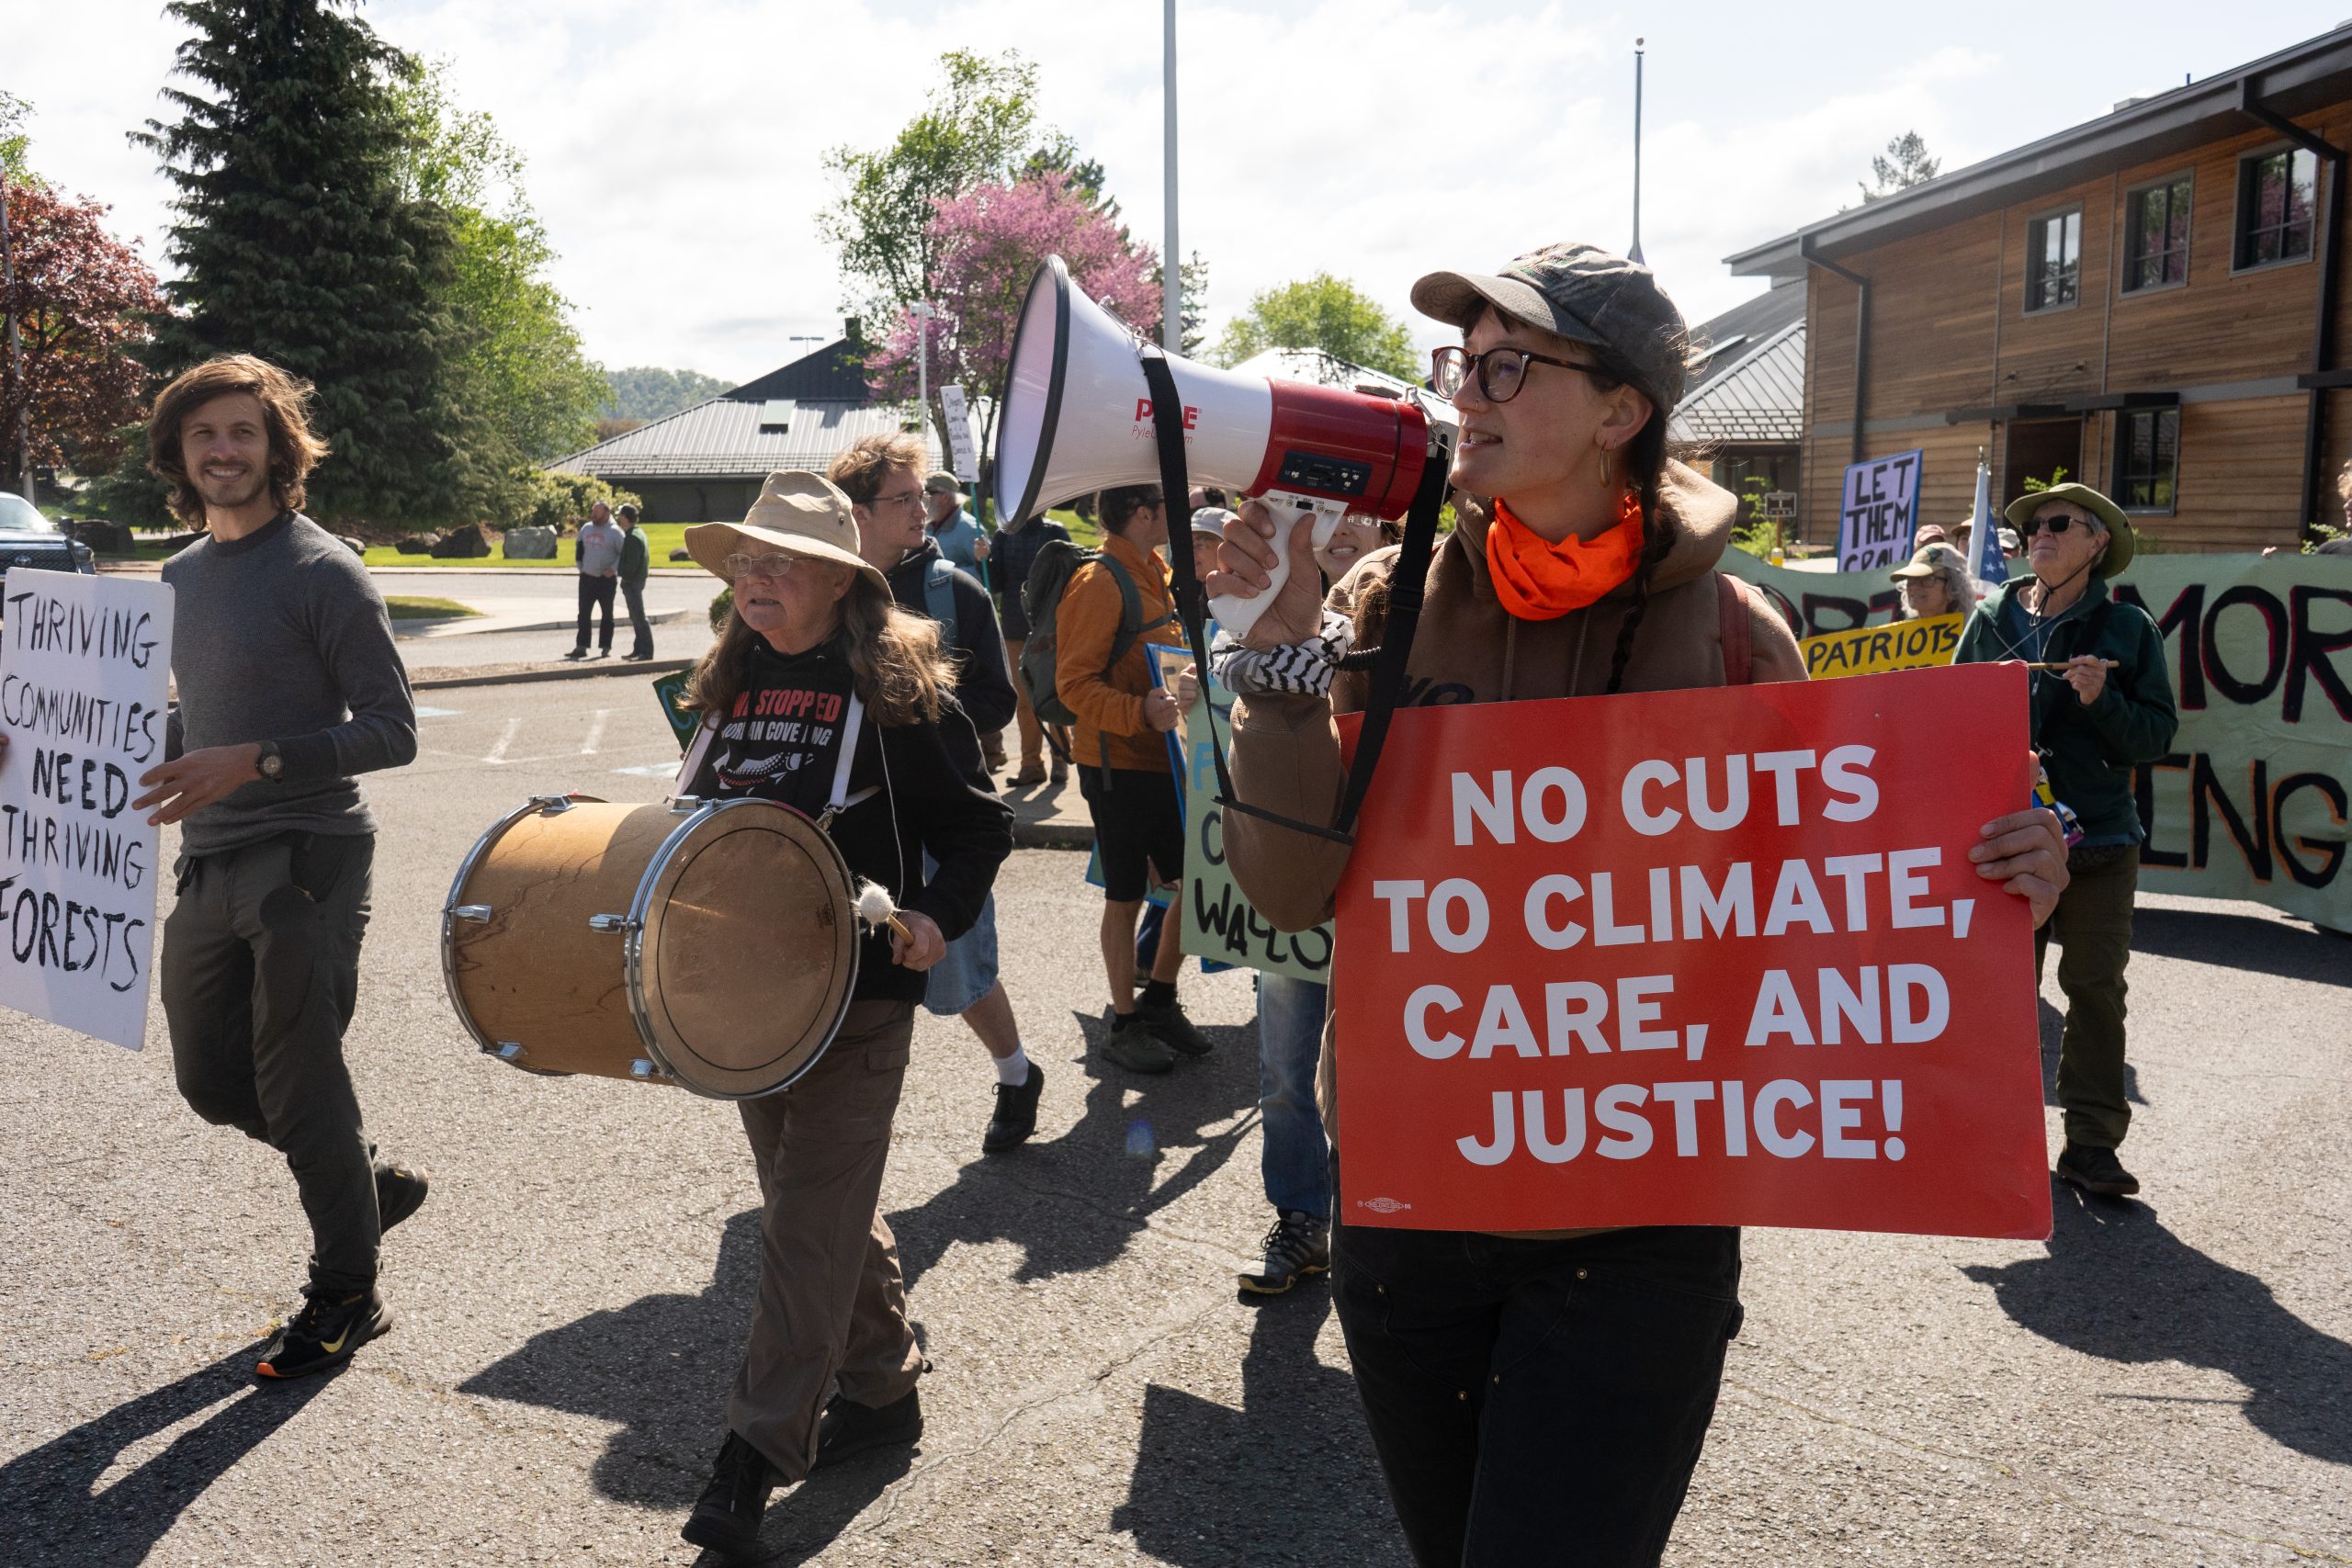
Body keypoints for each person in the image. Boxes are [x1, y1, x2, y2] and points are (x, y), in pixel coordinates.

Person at [1209, 242, 2076, 1566]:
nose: (1466, 394)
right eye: (1463, 362)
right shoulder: (1382, 606)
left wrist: (2009, 868)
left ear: (1621, 411)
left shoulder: (1734, 635)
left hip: (1639, 1239)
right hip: (1412, 1214)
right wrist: (1271, 667)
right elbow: (1285, 887)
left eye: (1510, 363)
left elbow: (1844, 911)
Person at [673, 470, 1012, 1556]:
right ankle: (883, 1384)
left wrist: (935, 915)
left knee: (805, 1223)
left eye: (778, 563)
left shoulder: (896, 692)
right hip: (748, 994)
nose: (754, 579)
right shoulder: (729, 680)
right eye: (745, 562)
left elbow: (978, 829)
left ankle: (754, 1455)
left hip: (860, 996)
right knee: (807, 1202)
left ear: (834, 580)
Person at [114, 355, 424, 1380]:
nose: (223, 450)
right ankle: (364, 1189)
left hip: (308, 856)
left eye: (243, 431)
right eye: (204, 435)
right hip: (209, 858)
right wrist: (42, 744)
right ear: (179, 454)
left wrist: (258, 759)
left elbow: (392, 729)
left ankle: (346, 1293)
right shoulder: (180, 576)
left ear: (277, 447)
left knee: (300, 1079)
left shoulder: (322, 570)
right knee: (210, 1080)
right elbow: (191, 723)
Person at [1955, 481, 2177, 1199]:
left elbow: (2155, 736)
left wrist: (2100, 699)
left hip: (2102, 842)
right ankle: (1994, 1142)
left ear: (2097, 543)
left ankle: (2090, 1145)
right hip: (2008, 841)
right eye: (2031, 528)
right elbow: (1947, 715)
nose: (2039, 535)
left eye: (2058, 524)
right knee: (1999, 998)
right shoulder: (1989, 618)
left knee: (2094, 995)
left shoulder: (2129, 630)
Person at [833, 435, 1045, 1155]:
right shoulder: (827, 588)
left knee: (957, 964)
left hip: (938, 816)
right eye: (904, 499)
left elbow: (996, 699)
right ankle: (839, 1138)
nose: (922, 509)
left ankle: (1017, 1074)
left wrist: (916, 708)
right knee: (850, 967)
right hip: (852, 821)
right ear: (857, 513)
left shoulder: (953, 590)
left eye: (922, 497)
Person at [1057, 482, 1210, 1075]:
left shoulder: (1155, 571)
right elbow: (1073, 684)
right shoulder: (1098, 582)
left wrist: (1186, 683)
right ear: (1143, 513)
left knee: (1194, 881)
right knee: (1125, 895)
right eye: (1171, 505)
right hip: (1116, 765)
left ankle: (1161, 1000)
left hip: (1163, 759)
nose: (1182, 514)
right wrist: (1138, 712)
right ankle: (1124, 1023)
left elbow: (1160, 658)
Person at [993, 508, 1073, 788]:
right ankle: (1031, 764)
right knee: (1025, 701)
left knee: (1053, 694)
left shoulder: (1055, 534)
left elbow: (1070, 580)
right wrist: (985, 558)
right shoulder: (1004, 536)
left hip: (1051, 628)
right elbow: (996, 582)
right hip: (1016, 627)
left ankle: (1061, 758)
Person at [565, 500, 622, 660]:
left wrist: (613, 569)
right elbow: (579, 547)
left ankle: (605, 647)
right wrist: (580, 566)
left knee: (607, 614)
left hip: (606, 580)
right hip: (587, 578)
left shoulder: (615, 532)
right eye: (593, 512)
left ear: (606, 513)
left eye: (597, 513)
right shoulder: (586, 528)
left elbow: (623, 553)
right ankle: (581, 646)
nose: (594, 515)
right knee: (583, 614)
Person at [1889, 538, 1977, 621]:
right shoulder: (1898, 635)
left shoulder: (1970, 634)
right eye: (1911, 579)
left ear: (1953, 588)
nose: (1915, 586)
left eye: (1927, 579)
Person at [616, 502, 654, 661]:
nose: (618, 518)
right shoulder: (638, 532)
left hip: (632, 581)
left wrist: (623, 576)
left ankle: (646, 651)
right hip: (638, 580)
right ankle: (638, 649)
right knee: (636, 616)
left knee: (639, 617)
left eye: (620, 515)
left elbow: (631, 564)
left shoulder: (632, 537)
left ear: (625, 517)